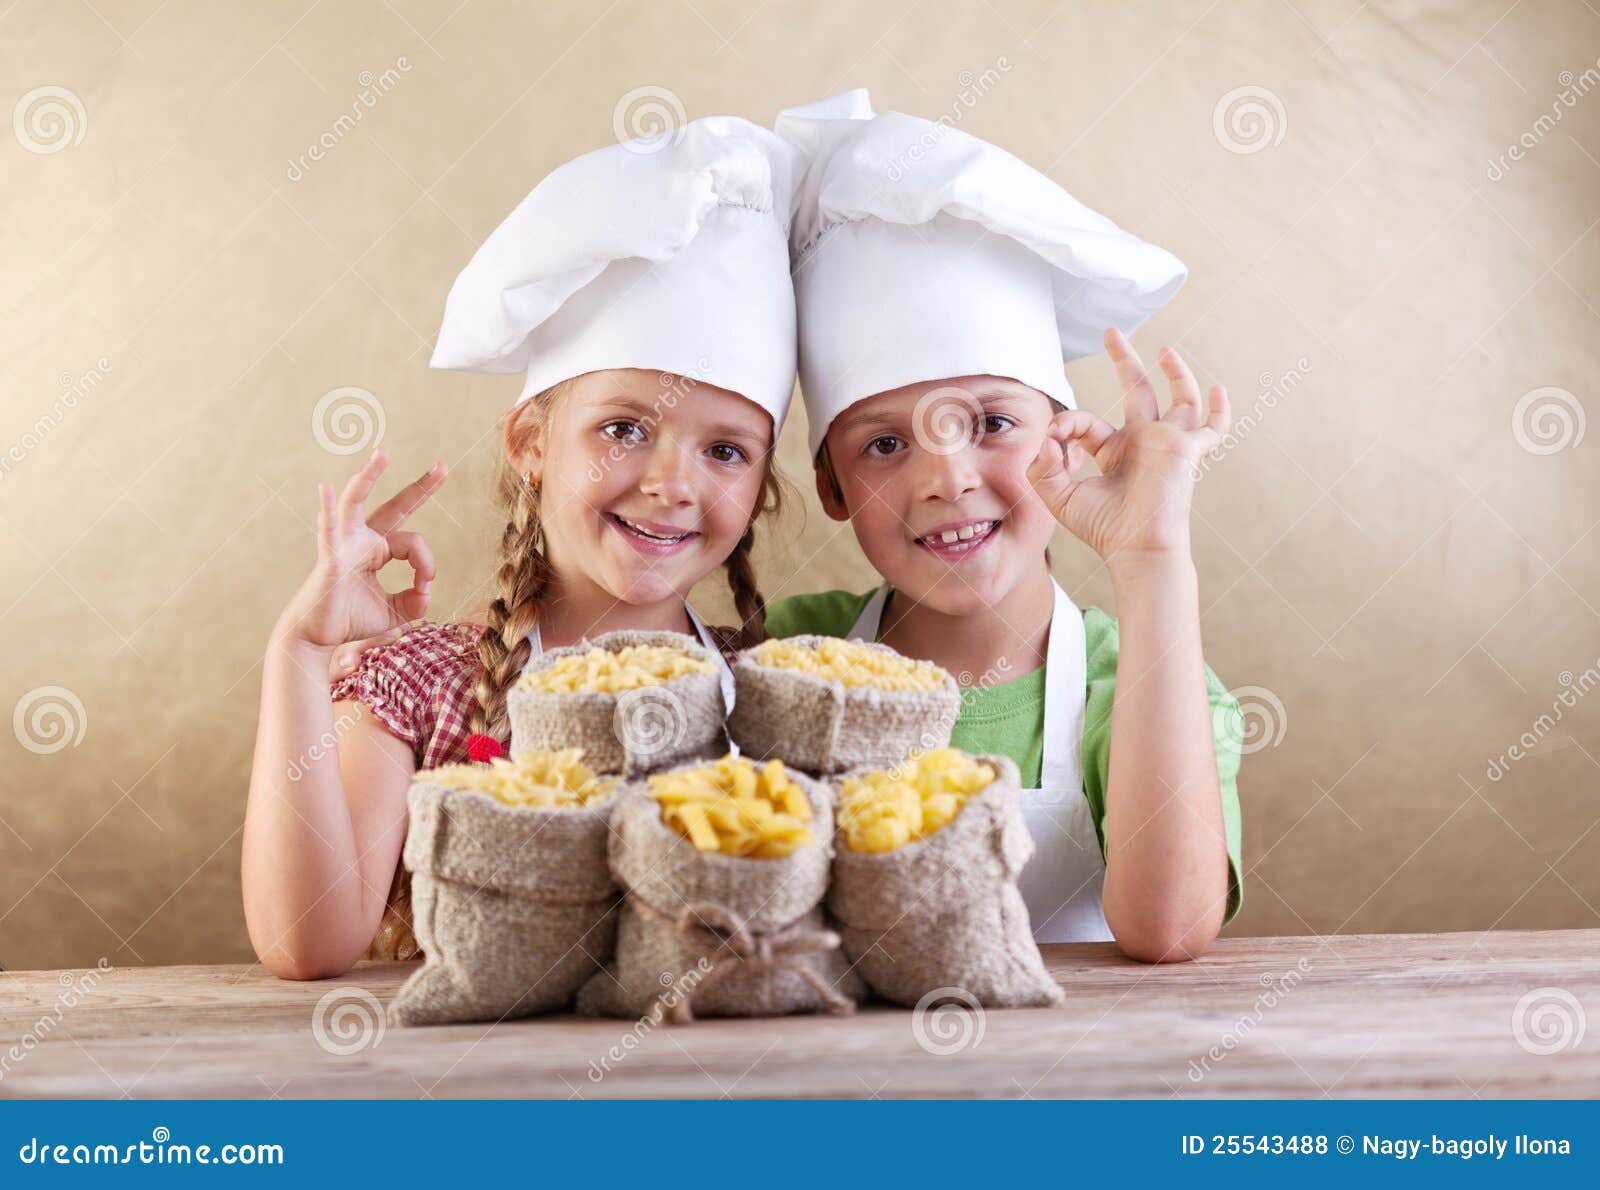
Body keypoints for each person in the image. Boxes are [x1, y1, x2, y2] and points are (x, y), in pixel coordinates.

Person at [242, 115, 801, 979]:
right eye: (623, 429)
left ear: (759, 486)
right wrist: (300, 654)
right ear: (531, 444)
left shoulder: (773, 700)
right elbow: (305, 944)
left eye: (724, 451)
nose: (672, 484)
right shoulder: (421, 685)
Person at [764, 91, 1244, 960]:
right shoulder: (781, 658)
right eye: (884, 444)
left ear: (1063, 438)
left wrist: (1153, 560)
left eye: (990, 422)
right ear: (831, 485)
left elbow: (1169, 927)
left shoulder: (1141, 682)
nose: (948, 479)